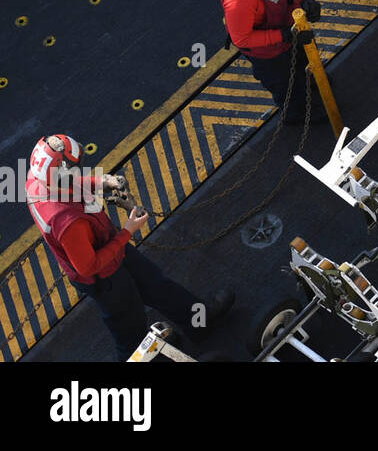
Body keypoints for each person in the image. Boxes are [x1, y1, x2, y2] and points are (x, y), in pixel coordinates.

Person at [26, 134, 233, 360]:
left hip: (111, 248)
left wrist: (104, 182)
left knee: (159, 286)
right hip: (105, 278)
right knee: (129, 331)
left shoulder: (39, 179)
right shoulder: (66, 221)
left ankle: (201, 323)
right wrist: (127, 232)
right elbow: (88, 266)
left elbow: (72, 180)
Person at [219, 0, 323, 124]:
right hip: (269, 54)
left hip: (290, 25)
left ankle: (313, 86)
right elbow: (242, 39)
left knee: (306, 64)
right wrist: (284, 36)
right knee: (288, 87)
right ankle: (298, 117)